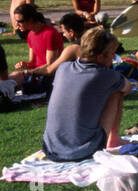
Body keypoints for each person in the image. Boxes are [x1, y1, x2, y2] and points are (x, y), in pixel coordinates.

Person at [42, 27, 133, 159]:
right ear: (101, 56)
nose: (114, 57)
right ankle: (113, 139)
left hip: (50, 148)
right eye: (112, 53)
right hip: (82, 150)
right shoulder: (106, 75)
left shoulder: (63, 67)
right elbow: (127, 87)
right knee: (116, 91)